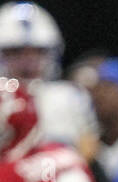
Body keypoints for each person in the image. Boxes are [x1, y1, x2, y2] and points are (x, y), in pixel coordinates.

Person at [0, 2, 97, 158]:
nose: (28, 61)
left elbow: (89, 158)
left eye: (38, 52)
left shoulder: (71, 98)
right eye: (16, 52)